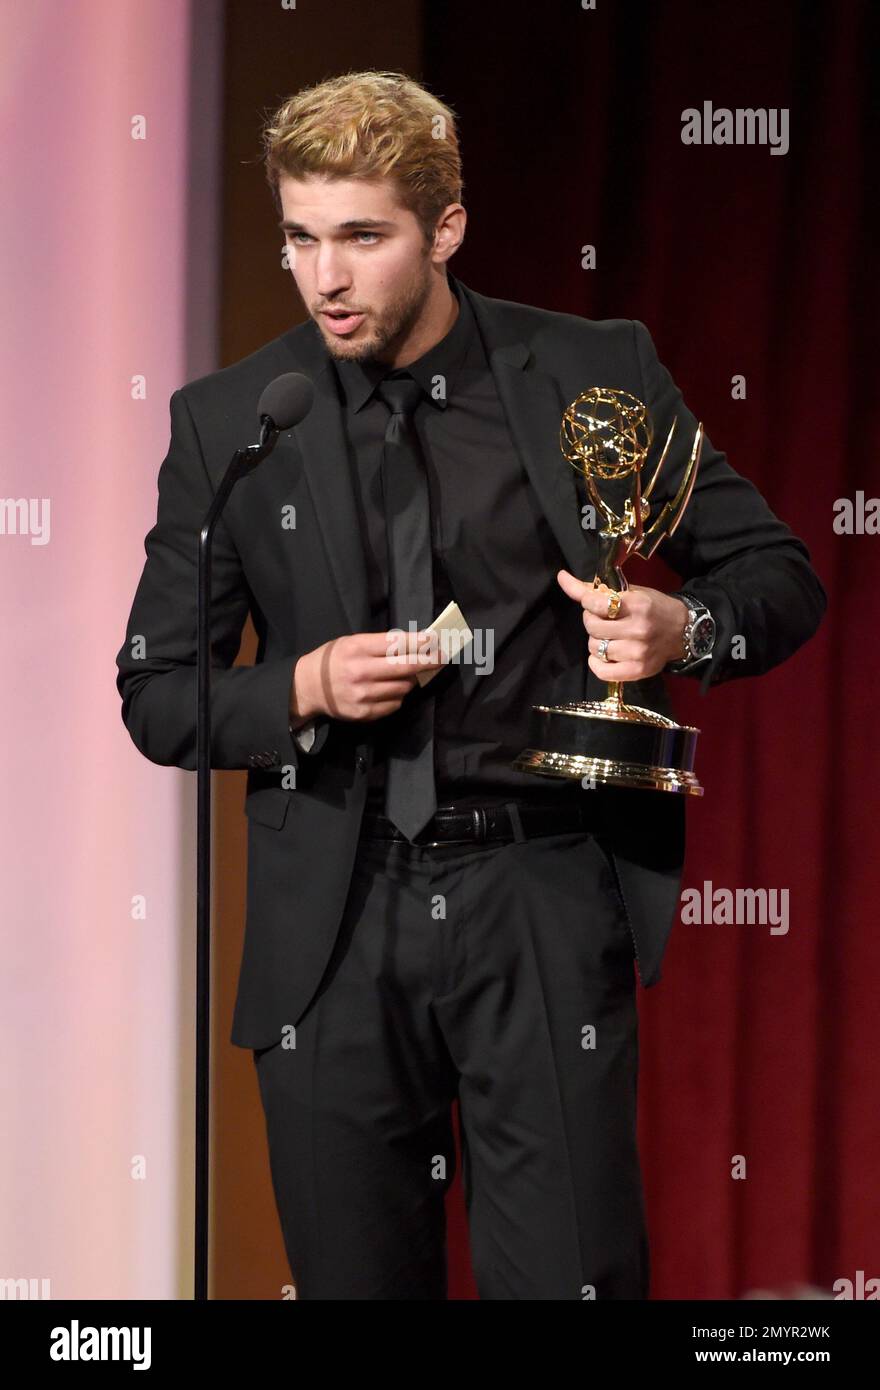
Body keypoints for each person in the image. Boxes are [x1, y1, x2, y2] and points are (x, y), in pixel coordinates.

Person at [116, 70, 827, 1300]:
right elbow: (158, 693)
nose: (324, 278)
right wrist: (302, 686)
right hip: (332, 919)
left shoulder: (585, 372)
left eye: (361, 238)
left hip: (538, 890)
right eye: (299, 237)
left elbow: (779, 575)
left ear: (445, 228)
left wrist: (682, 625)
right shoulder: (233, 422)